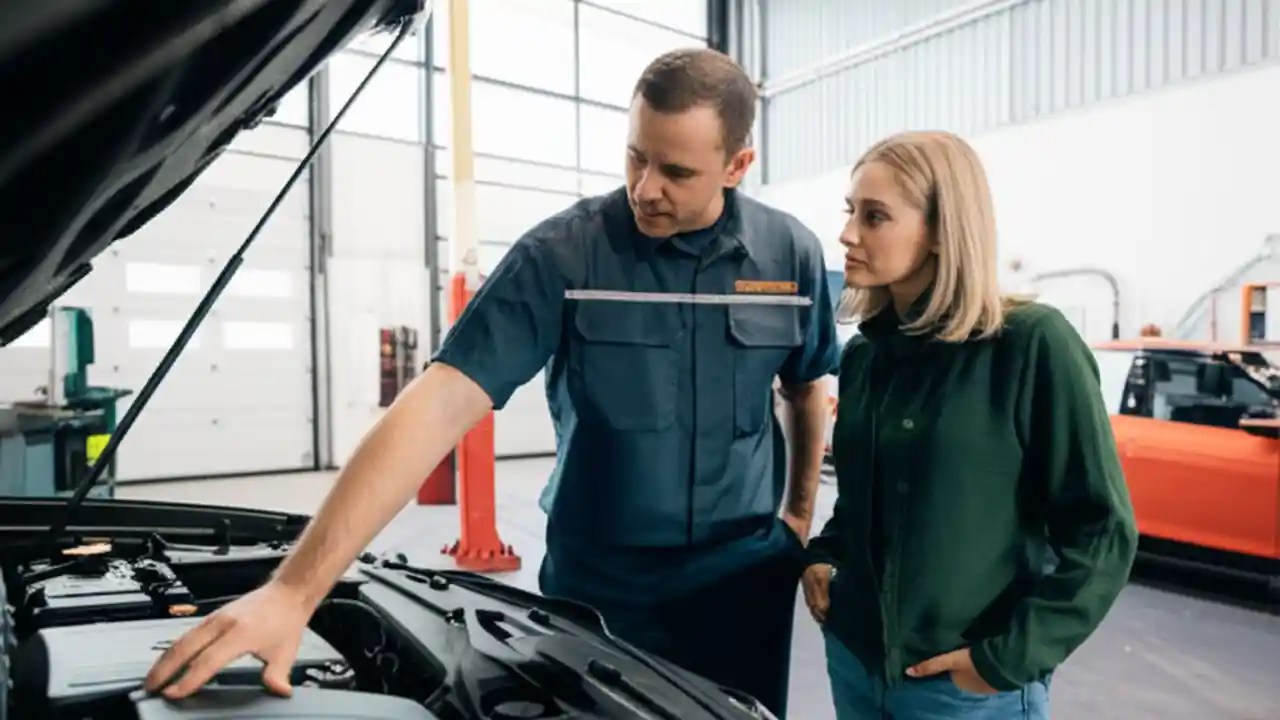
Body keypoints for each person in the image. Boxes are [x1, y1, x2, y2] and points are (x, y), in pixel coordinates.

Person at [144, 47, 839, 718]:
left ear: (737, 165)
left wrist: (798, 517)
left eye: (676, 172)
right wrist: (296, 589)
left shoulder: (789, 256)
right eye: (636, 156)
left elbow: (806, 385)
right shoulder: (564, 255)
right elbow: (443, 401)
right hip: (602, 588)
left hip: (741, 579)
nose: (644, 188)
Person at [800, 130, 1137, 719]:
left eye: (874, 217)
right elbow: (859, 502)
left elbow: (1101, 530)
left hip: (963, 689)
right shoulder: (864, 359)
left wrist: (1010, 658)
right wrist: (823, 555)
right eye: (850, 211)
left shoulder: (1031, 346)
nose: (848, 234)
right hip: (856, 664)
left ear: (941, 231)